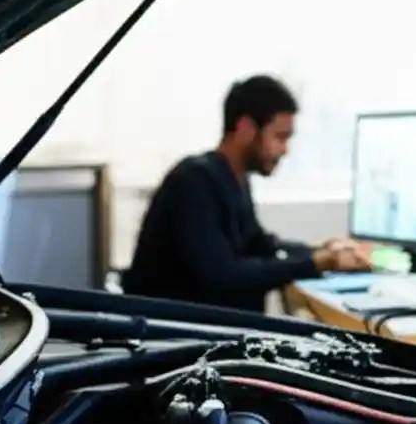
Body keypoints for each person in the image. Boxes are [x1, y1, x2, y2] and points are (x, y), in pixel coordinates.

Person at [124, 75, 370, 312]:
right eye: (280, 137)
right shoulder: (193, 182)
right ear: (245, 128)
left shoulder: (234, 179)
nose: (285, 150)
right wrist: (317, 261)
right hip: (178, 340)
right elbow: (224, 275)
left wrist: (322, 250)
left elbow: (261, 245)